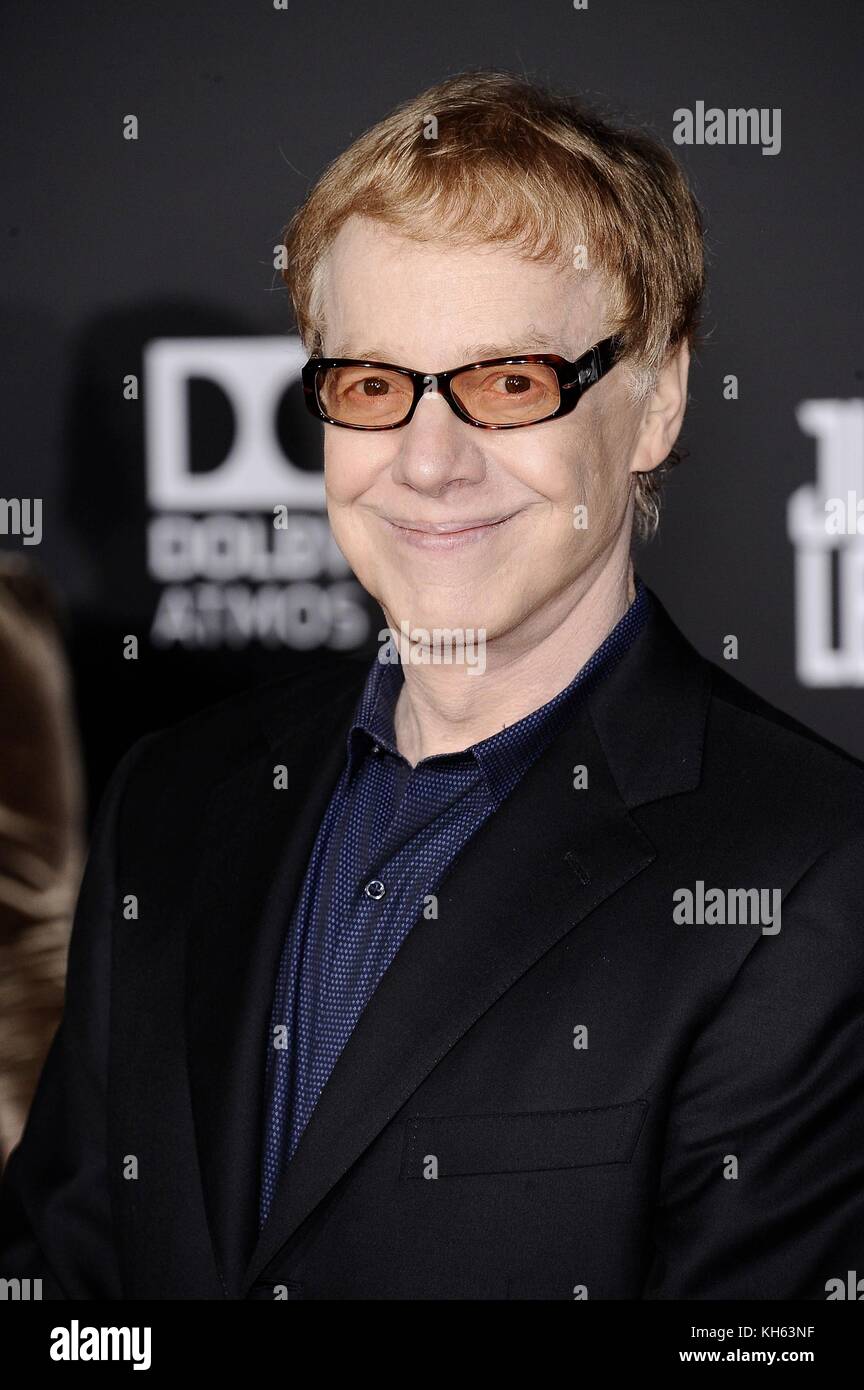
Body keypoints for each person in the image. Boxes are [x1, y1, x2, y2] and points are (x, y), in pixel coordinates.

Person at [2, 71, 863, 1301]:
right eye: (371, 384)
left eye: (509, 382)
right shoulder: (174, 801)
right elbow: (67, 1288)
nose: (426, 461)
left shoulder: (811, 878)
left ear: (659, 398)